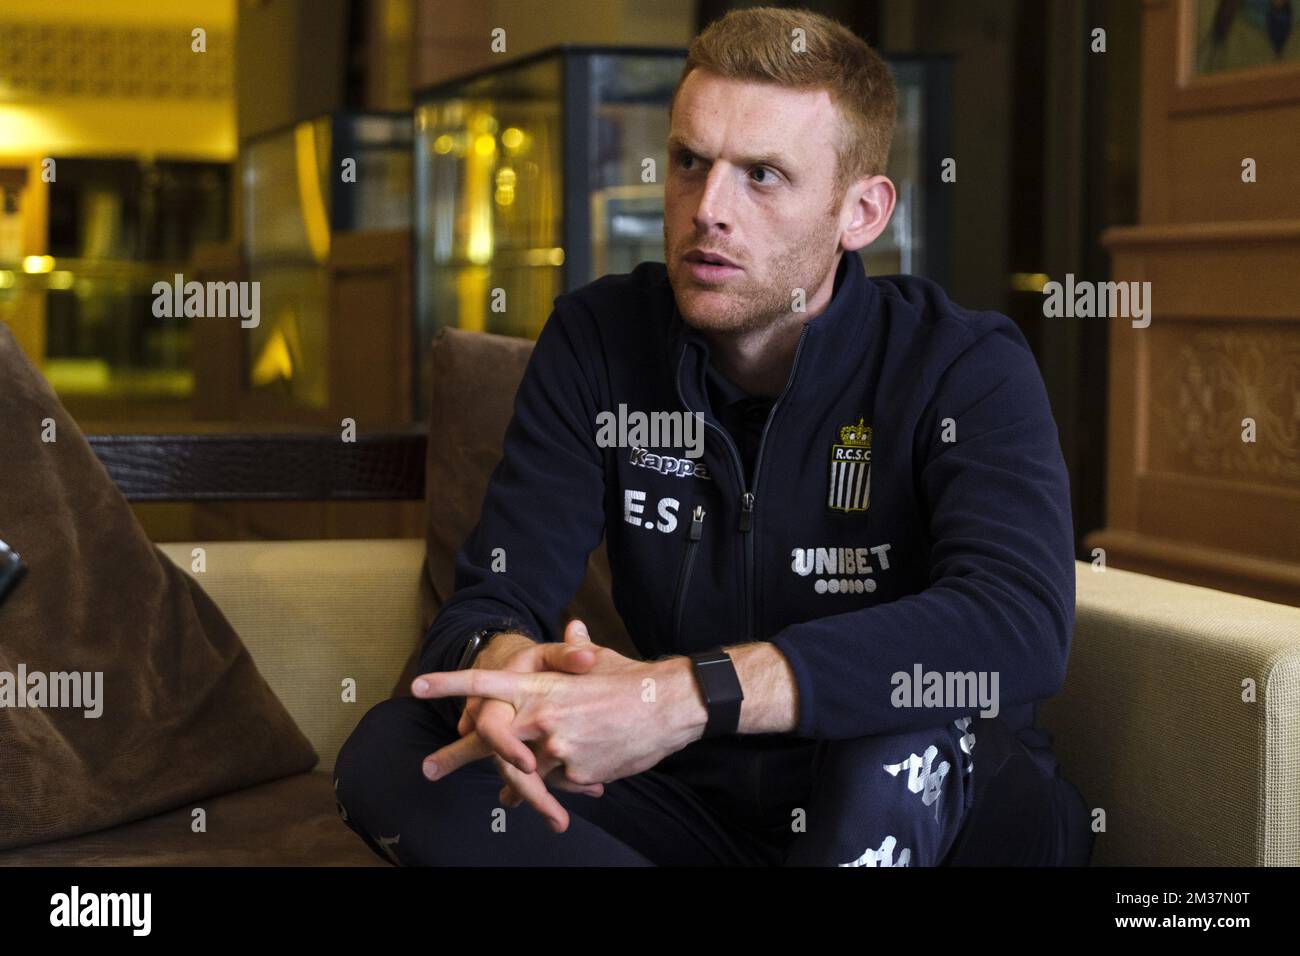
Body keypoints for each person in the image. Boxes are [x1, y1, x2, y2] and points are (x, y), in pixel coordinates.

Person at [334, 5, 1094, 867]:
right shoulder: (600, 339)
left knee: (892, 754)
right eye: (691, 162)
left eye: (763, 175)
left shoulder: (963, 363)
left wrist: (685, 694)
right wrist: (511, 675)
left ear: (862, 212)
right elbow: (492, 595)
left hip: (924, 789)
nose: (709, 209)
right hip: (687, 796)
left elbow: (1018, 626)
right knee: (401, 755)